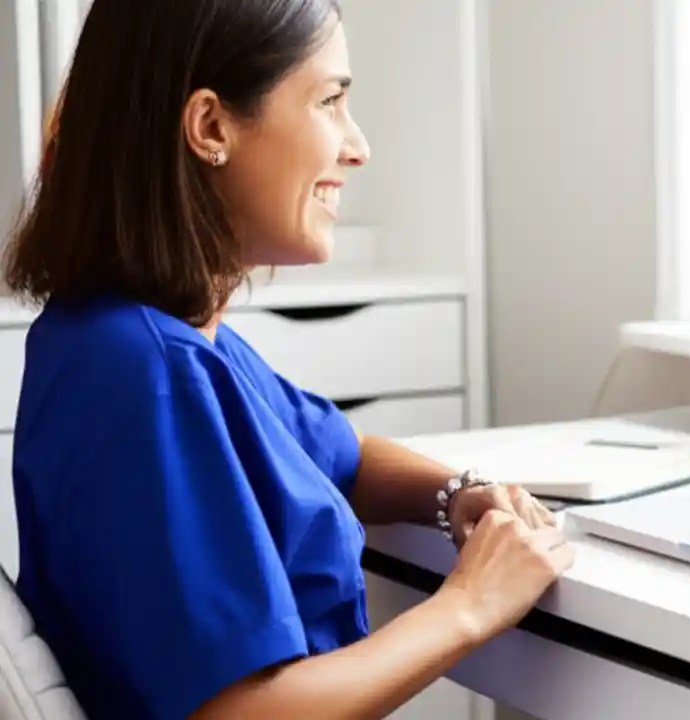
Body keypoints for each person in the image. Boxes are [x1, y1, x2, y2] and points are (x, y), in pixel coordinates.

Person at [3, 2, 574, 718]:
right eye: (331, 101)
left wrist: (457, 491)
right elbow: (245, 713)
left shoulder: (149, 340)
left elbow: (345, 456)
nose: (357, 146)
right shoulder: (147, 372)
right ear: (210, 128)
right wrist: (468, 605)